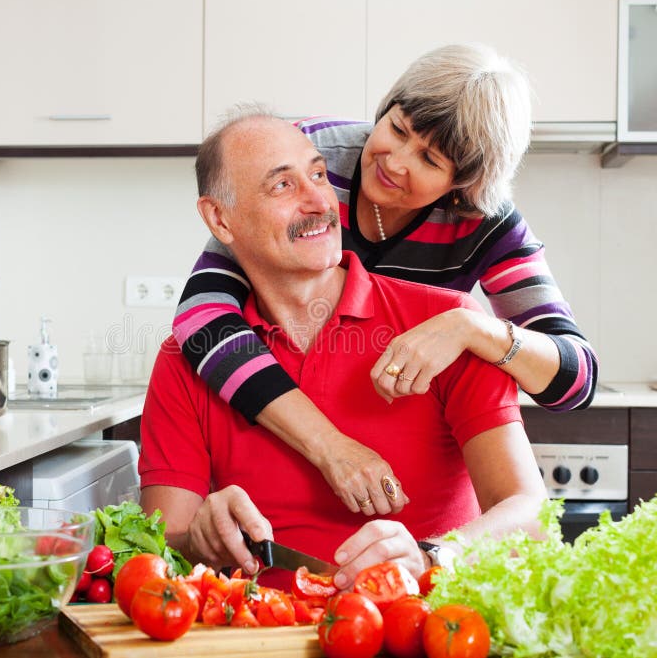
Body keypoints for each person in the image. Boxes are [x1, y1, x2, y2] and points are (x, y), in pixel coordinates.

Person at [173, 43, 597, 517]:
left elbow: (576, 378)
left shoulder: (485, 220)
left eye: (430, 160)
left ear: (464, 185)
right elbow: (202, 317)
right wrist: (331, 448)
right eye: (397, 128)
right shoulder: (314, 163)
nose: (395, 161)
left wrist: (469, 326)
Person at [140, 111, 547, 589]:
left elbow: (531, 516)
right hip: (263, 633)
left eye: (317, 174)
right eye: (282, 186)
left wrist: (434, 557)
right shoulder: (188, 357)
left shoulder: (447, 328)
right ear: (219, 219)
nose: (320, 201)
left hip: (421, 628)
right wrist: (199, 539)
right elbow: (162, 551)